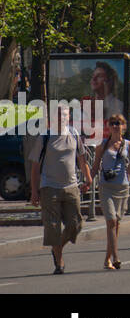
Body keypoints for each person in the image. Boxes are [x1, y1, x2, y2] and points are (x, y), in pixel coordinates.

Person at [27, 104, 92, 274]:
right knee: (53, 227)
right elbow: (35, 166)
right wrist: (34, 191)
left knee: (75, 224)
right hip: (49, 187)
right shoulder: (45, 136)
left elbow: (81, 158)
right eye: (57, 115)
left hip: (71, 186)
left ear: (68, 117)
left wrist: (88, 177)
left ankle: (57, 249)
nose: (61, 118)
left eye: (64, 115)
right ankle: (59, 261)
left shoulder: (73, 133)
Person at [90, 114, 130, 270]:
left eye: (119, 123)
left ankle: (107, 258)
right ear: (108, 126)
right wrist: (88, 181)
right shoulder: (102, 145)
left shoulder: (129, 145)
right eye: (112, 123)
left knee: (116, 223)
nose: (115, 126)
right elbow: (95, 166)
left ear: (124, 127)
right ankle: (116, 257)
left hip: (122, 187)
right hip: (106, 187)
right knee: (111, 221)